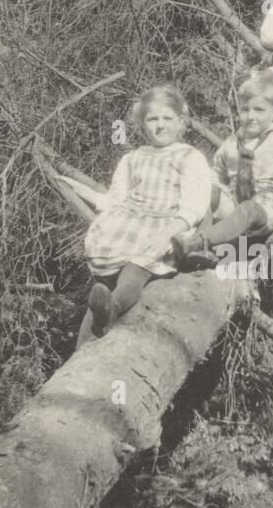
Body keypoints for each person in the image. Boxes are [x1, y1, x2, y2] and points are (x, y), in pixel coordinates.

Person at [62, 86, 211, 347]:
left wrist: (168, 233)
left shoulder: (190, 157)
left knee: (135, 268)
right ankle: (88, 336)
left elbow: (195, 204)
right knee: (105, 280)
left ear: (181, 122)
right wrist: (81, 190)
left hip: (167, 225)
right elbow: (115, 200)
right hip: (130, 224)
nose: (160, 125)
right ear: (142, 124)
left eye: (167, 119)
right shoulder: (133, 158)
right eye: (153, 119)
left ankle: (114, 309)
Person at [171, 70, 273, 267]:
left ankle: (200, 242)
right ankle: (197, 247)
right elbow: (216, 172)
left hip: (267, 212)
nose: (251, 116)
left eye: (259, 110)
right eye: (245, 109)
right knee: (207, 189)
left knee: (248, 208)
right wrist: (212, 189)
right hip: (234, 207)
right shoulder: (232, 142)